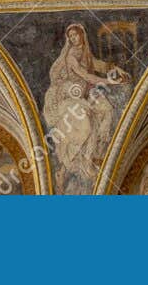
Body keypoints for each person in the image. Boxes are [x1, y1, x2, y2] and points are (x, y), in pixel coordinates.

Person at [42, 24, 128, 193]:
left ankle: (96, 154)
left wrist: (115, 69)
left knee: (107, 109)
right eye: (71, 36)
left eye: (76, 35)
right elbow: (87, 76)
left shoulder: (86, 53)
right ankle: (74, 164)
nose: (74, 39)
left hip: (84, 94)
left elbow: (99, 65)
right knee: (86, 127)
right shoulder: (71, 57)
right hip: (69, 98)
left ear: (82, 35)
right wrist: (111, 82)